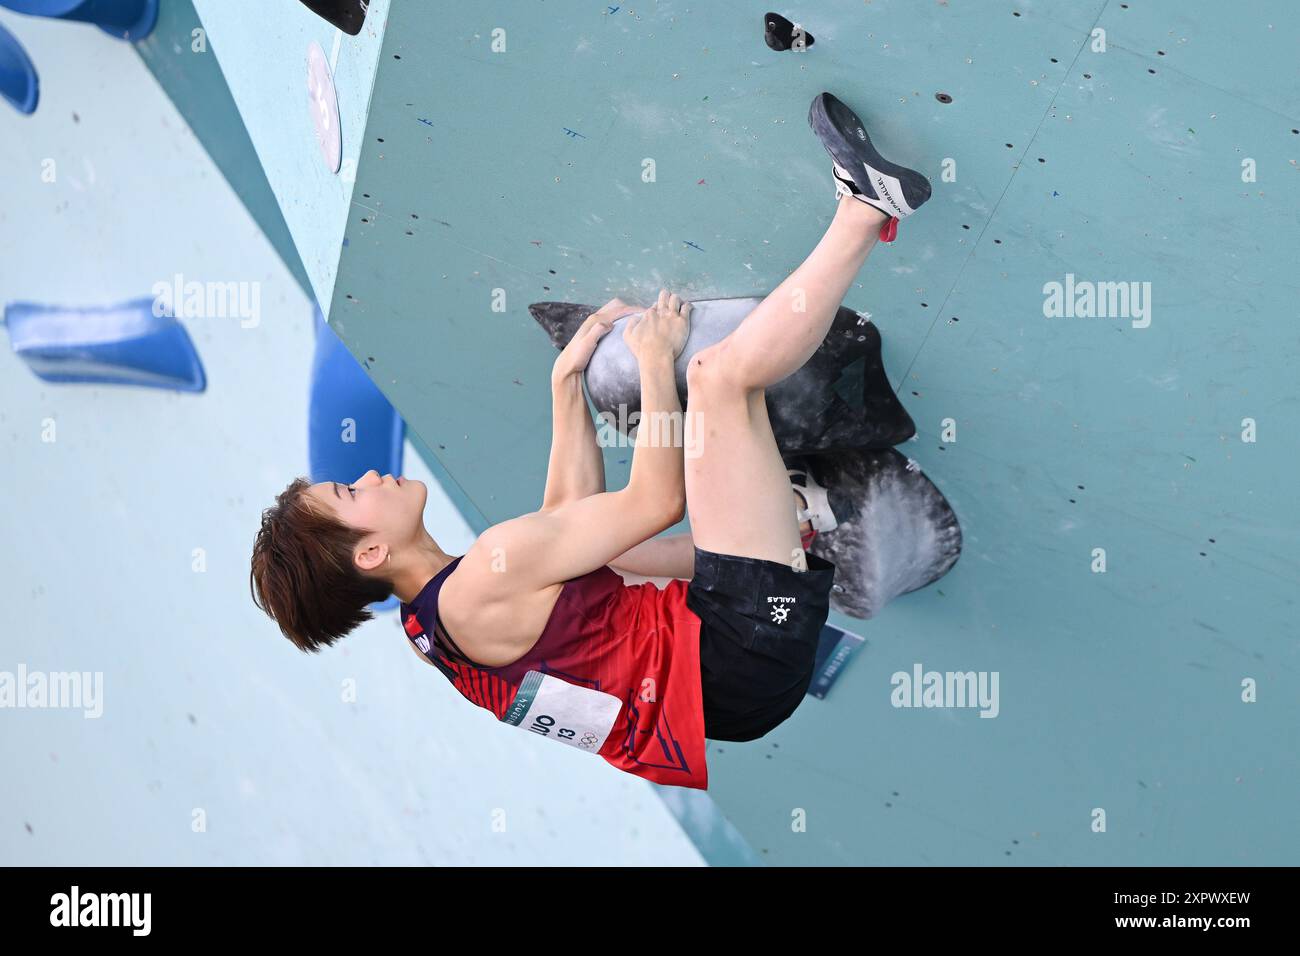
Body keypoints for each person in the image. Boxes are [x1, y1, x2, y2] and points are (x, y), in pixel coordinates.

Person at [249, 92, 931, 789]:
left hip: (733, 695)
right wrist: (657, 366)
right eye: (349, 493)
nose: (366, 476)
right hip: (743, 645)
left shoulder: (433, 633)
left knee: (610, 547)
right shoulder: (486, 569)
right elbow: (658, 499)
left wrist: (564, 387)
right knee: (719, 378)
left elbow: (563, 525)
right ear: (369, 550)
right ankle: (866, 206)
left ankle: (786, 516)